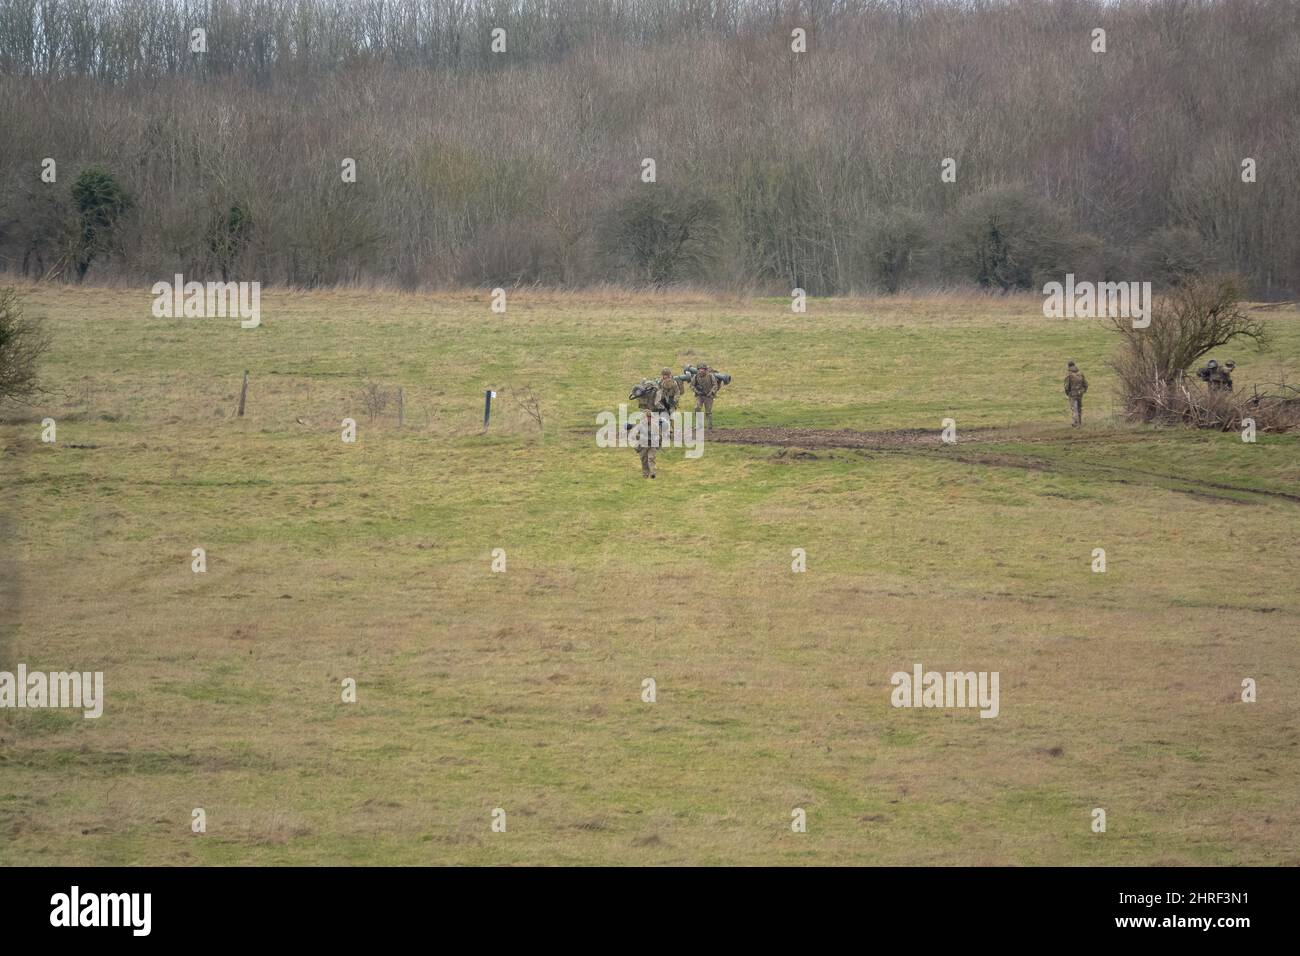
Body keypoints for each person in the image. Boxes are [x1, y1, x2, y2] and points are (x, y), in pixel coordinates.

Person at [627, 409, 664, 479]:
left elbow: (659, 436)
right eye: (647, 417)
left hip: (652, 445)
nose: (648, 419)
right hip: (643, 445)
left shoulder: (655, 426)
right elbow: (634, 435)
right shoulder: (640, 426)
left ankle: (653, 473)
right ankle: (645, 474)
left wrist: (658, 442)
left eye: (650, 417)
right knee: (644, 460)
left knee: (651, 458)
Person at [691, 363, 722, 428]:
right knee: (697, 408)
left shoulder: (710, 376)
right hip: (700, 396)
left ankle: (709, 426)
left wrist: (711, 393)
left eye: (703, 369)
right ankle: (699, 425)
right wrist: (697, 391)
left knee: (708, 411)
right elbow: (692, 386)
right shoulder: (696, 377)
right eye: (699, 369)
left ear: (705, 370)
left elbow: (715, 385)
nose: (701, 371)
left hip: (709, 396)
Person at [1064, 360, 1088, 427]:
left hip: (1072, 394)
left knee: (1074, 408)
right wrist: (1083, 391)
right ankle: (1080, 422)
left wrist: (1068, 393)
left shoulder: (1069, 374)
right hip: (1080, 394)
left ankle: (1076, 423)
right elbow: (1086, 384)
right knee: (1079, 408)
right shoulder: (1080, 373)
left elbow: (1066, 386)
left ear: (1068, 366)